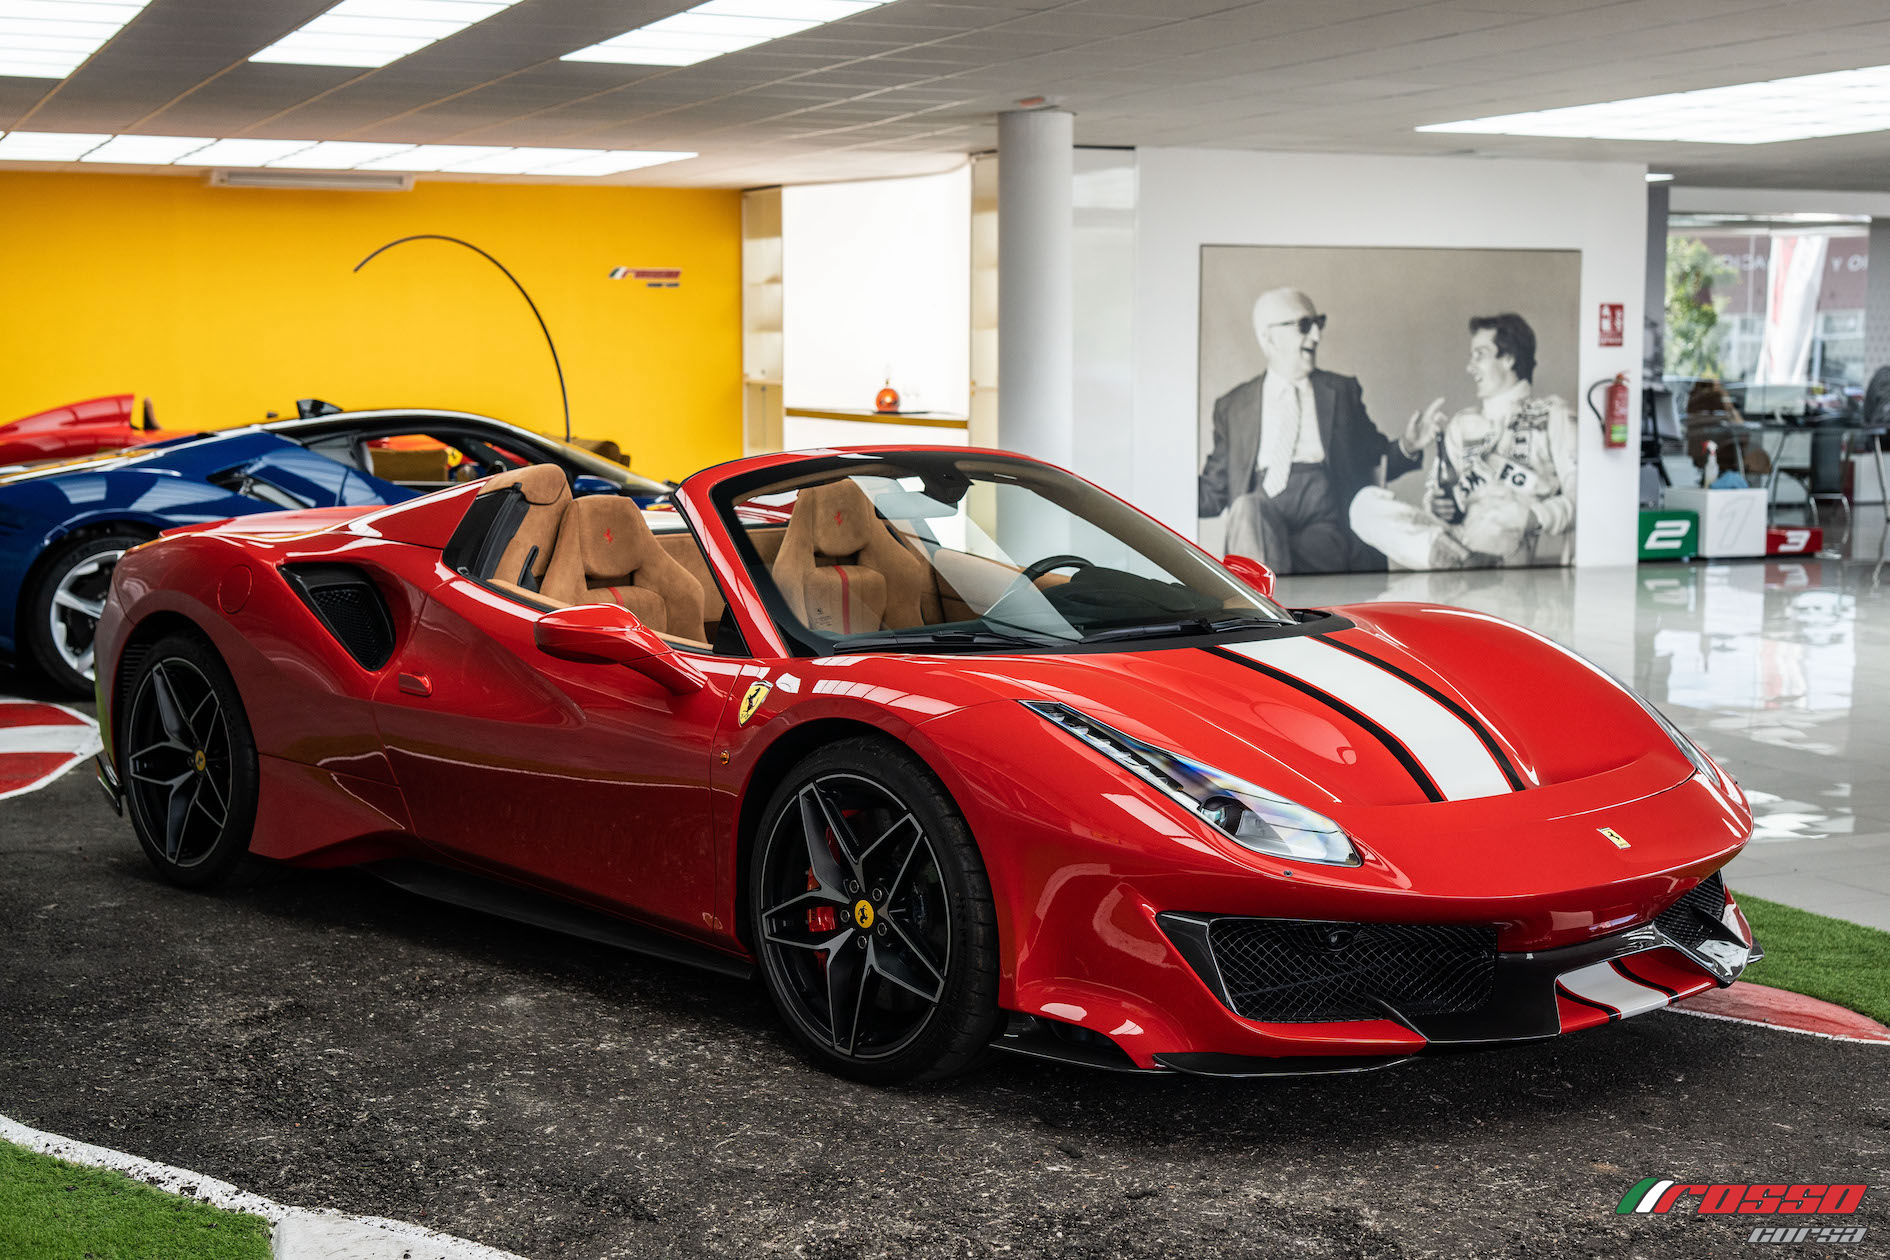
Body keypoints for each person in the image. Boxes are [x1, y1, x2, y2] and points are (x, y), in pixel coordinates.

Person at [1198, 288, 1430, 574]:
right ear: (1267, 337)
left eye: (1318, 324)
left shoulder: (1342, 392)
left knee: (1293, 559)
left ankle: (1267, 613)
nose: (1317, 337)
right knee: (1246, 510)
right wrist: (1156, 487)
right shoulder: (1233, 406)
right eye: (1304, 326)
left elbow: (1374, 459)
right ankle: (1269, 613)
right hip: (1262, 509)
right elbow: (1214, 489)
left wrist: (1409, 444)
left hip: (1325, 513)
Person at [1350, 313, 1578, 569]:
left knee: (1495, 521)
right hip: (1454, 539)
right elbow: (1435, 495)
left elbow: (1583, 497)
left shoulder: (1553, 414)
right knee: (1364, 505)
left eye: (1479, 355)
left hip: (1507, 544)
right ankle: (1462, 561)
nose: (1470, 367)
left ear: (1509, 358)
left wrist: (1533, 517)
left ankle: (1464, 565)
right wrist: (1437, 505)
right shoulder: (1462, 424)